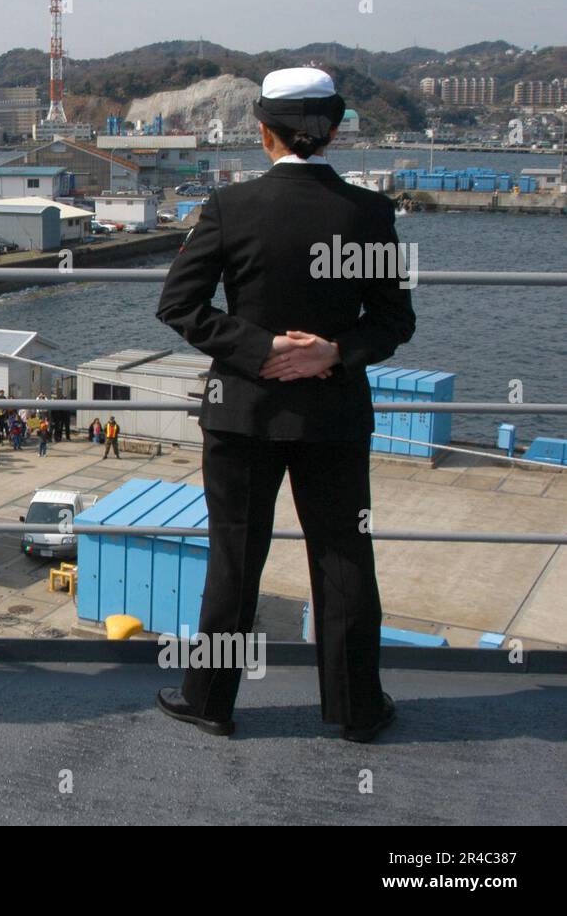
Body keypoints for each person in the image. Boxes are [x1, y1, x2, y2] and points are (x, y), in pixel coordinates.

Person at [154, 68, 415, 742]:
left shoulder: (230, 207)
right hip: (334, 414)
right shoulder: (368, 212)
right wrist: (332, 351)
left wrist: (257, 346)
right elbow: (393, 323)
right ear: (330, 131)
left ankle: (210, 700)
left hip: (244, 412)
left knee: (235, 560)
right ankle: (359, 709)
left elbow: (179, 306)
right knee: (344, 557)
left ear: (263, 131)